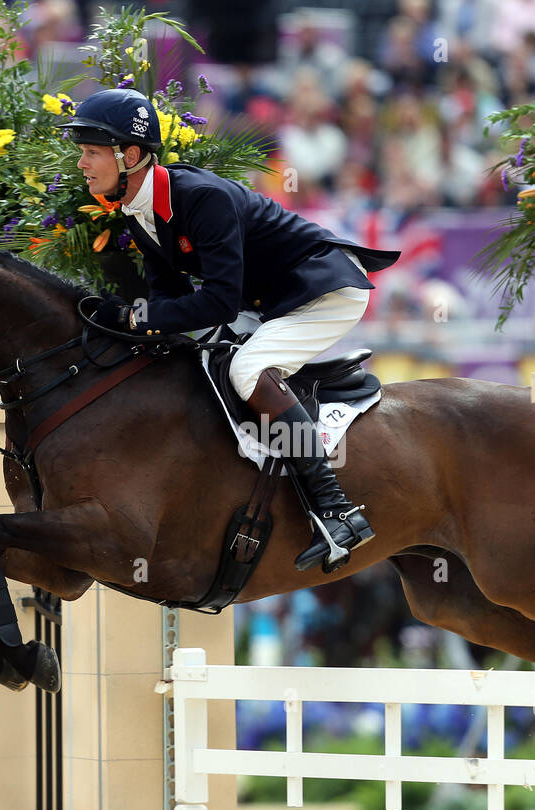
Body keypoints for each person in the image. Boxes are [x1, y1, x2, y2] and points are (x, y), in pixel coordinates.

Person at [60, 88, 401, 572]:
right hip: (275, 298)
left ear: (129, 155)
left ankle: (336, 510)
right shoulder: (138, 211)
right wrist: (133, 329)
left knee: (247, 370)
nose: (82, 165)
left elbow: (217, 300)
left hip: (324, 288)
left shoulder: (202, 198)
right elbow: (169, 298)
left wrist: (140, 319)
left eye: (92, 152)